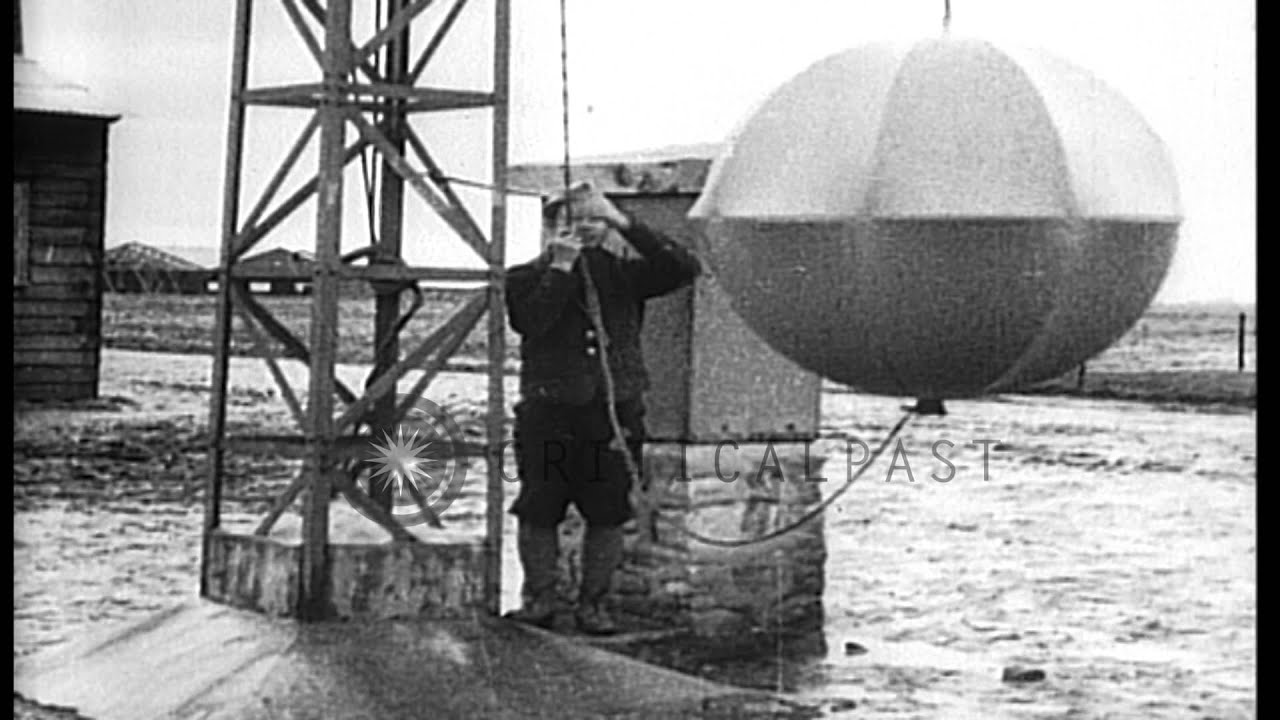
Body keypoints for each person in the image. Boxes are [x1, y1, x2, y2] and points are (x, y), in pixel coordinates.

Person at [504, 182, 701, 634]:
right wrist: (559, 268)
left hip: (612, 412)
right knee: (539, 507)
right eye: (575, 221)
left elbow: (683, 267)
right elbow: (531, 321)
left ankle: (595, 605)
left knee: (608, 510)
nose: (587, 229)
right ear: (551, 227)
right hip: (548, 412)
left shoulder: (623, 273)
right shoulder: (524, 276)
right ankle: (540, 601)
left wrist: (623, 221)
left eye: (594, 220)